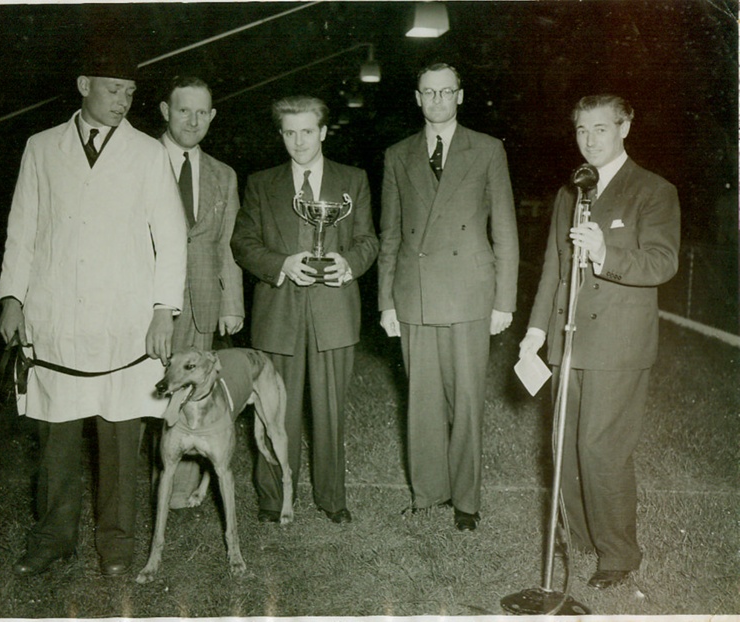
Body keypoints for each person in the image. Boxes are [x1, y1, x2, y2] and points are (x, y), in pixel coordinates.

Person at [0, 39, 187, 578]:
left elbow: (171, 241)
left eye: (129, 92)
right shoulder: (40, 147)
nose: (122, 102)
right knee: (56, 434)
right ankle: (53, 538)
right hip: (54, 316)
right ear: (84, 87)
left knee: (120, 438)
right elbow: (22, 230)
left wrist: (161, 312)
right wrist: (12, 298)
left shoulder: (149, 153)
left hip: (123, 322)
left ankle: (117, 546)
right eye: (112, 90)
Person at [519, 95, 680, 589]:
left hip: (618, 345)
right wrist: (534, 332)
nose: (589, 139)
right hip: (567, 341)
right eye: (582, 130)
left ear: (625, 127)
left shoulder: (653, 190)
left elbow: (662, 262)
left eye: (600, 129)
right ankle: (583, 539)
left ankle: (618, 554)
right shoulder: (571, 193)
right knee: (564, 445)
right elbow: (553, 267)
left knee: (601, 447)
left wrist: (605, 252)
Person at [378, 62, 519, 531]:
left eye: (446, 92)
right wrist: (385, 302)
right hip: (413, 293)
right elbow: (390, 235)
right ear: (417, 98)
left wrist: (505, 301)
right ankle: (428, 493)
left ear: (460, 96)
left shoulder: (488, 149)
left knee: (467, 398)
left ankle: (466, 501)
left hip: (470, 293)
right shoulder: (397, 154)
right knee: (420, 400)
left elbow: (505, 230)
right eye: (428, 92)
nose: (437, 100)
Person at [231, 95, 378, 524]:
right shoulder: (261, 183)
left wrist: (347, 264)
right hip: (278, 313)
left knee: (330, 411)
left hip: (334, 311)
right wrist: (281, 265)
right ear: (281, 134)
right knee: (276, 411)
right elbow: (243, 243)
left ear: (324, 132)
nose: (299, 141)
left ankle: (332, 498)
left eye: (307, 131)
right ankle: (273, 498)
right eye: (290, 132)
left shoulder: (353, 179)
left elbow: (369, 240)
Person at [159, 75, 244, 509]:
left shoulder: (223, 175)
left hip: (203, 303)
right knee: (147, 391)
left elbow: (226, 243)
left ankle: (179, 495)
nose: (192, 120)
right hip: (149, 304)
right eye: (183, 110)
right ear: (164, 112)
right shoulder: (141, 160)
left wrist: (232, 304)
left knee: (192, 394)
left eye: (201, 112)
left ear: (212, 116)